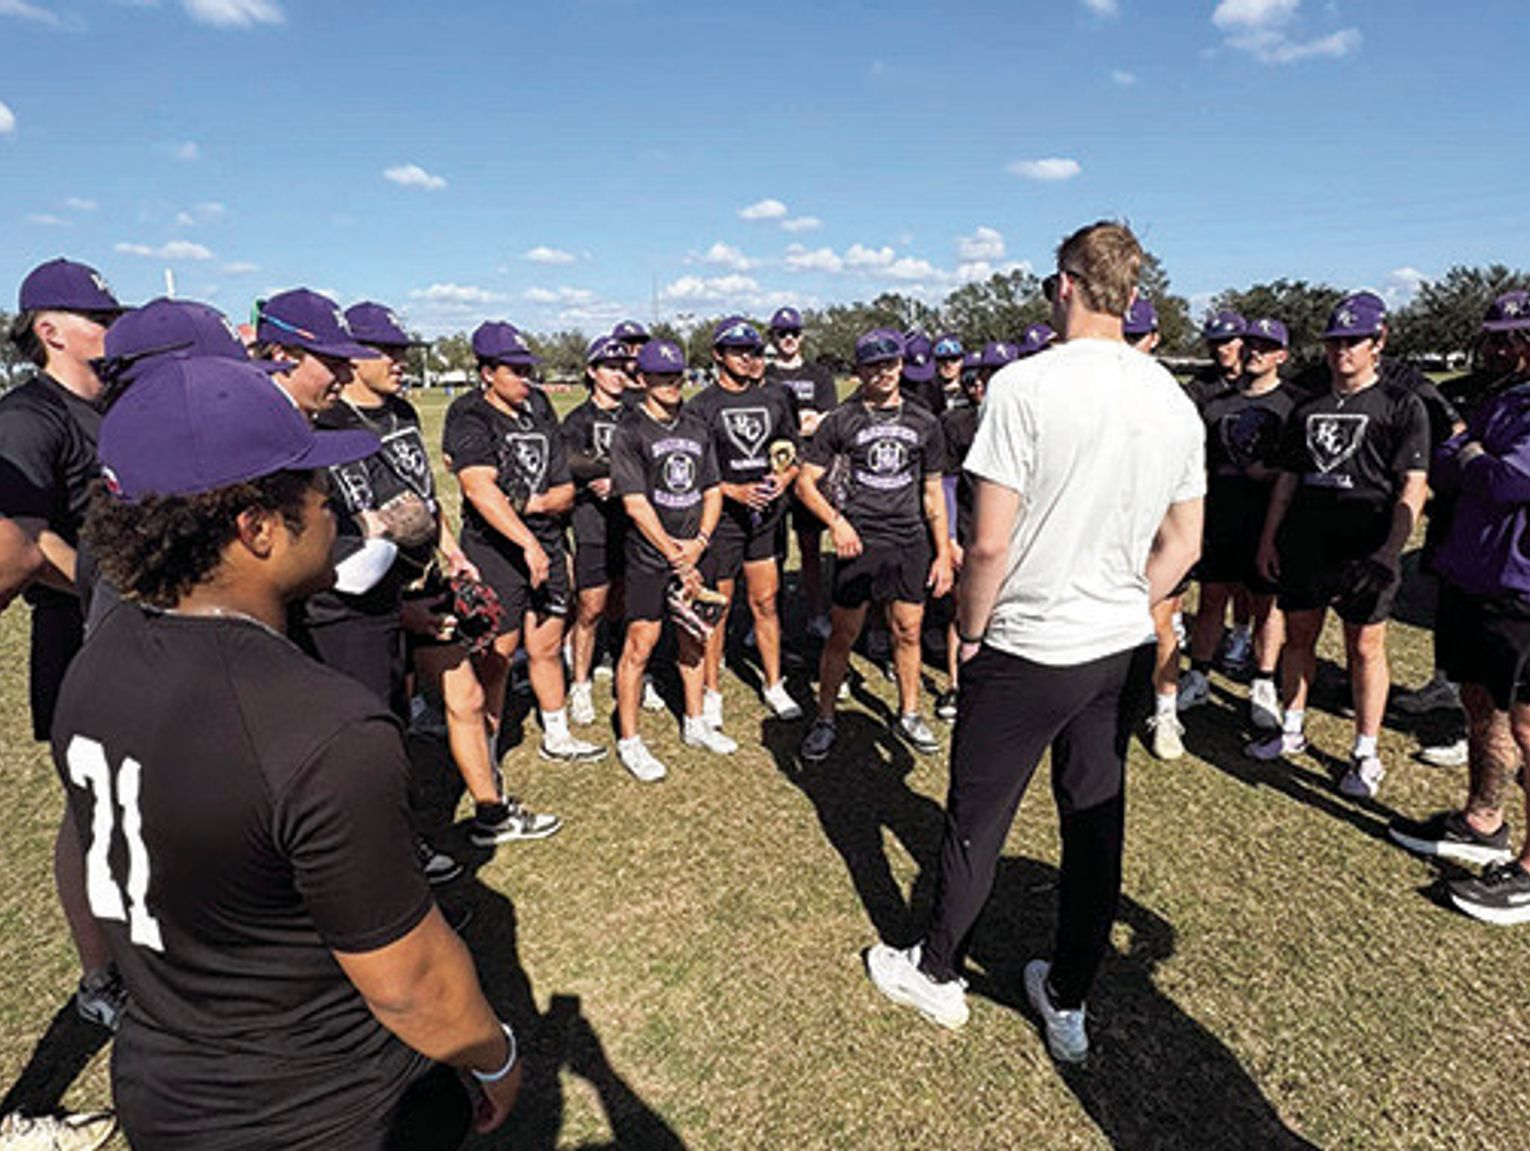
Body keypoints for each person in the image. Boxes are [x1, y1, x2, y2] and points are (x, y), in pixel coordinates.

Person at [55, 356, 521, 1149]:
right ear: (255, 527)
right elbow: (411, 986)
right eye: (312, 488)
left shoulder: (97, 659)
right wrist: (495, 1055)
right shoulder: (320, 724)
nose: (333, 507)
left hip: (163, 1091)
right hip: (327, 1108)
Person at [864, 221, 1204, 1065]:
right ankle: (1068, 993)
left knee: (978, 814)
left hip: (1026, 644)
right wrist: (1128, 597)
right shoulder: (1172, 397)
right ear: (1130, 291)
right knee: (1094, 819)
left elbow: (987, 545)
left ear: (1063, 285)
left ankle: (937, 971)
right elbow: (1186, 543)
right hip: (1118, 644)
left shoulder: (1022, 386)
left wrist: (970, 632)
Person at [0, 258, 129, 1031]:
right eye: (100, 319)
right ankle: (100, 974)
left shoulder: (116, 405)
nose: (112, 332)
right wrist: (105, 583)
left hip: (139, 631)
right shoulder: (26, 417)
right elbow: (21, 535)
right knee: (89, 810)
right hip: (79, 636)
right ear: (50, 330)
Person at [1249, 293, 1430, 798]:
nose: (1342, 351)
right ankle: (1290, 727)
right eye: (1334, 342)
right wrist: (1269, 537)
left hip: (1366, 544)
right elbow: (1287, 479)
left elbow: (1413, 483)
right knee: (1299, 636)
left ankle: (1365, 752)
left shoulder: (1401, 404)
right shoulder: (1307, 407)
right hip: (1307, 541)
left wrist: (1390, 551)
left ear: (1379, 342)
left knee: (1364, 649)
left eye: (1353, 341)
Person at [1388, 290, 1530, 923]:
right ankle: (1482, 819)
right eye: (1495, 336)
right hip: (1471, 580)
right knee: (1480, 706)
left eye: (1517, 336)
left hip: (1523, 590)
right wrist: (1465, 448)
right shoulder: (1500, 399)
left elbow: (1503, 483)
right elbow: (1450, 472)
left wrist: (1463, 443)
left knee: (1527, 726)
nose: (1504, 347)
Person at [443, 322, 606, 810]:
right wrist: (527, 539)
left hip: (550, 544)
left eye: (528, 369)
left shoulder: (538, 407)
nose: (526, 380)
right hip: (496, 553)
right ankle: (486, 752)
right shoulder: (468, 413)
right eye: (516, 371)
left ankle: (556, 731)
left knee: (548, 643)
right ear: (486, 372)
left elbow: (561, 487)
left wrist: (533, 511)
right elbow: (479, 489)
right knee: (496, 656)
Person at [795, 328, 953, 762]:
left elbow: (933, 493)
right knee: (844, 633)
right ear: (859, 369)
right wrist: (837, 522)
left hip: (910, 539)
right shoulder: (842, 421)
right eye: (873, 365)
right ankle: (825, 717)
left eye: (891, 363)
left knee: (908, 630)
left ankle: (909, 712)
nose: (884, 372)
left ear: (901, 364)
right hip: (860, 541)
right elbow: (806, 484)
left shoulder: (924, 420)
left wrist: (941, 552)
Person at [609, 339, 726, 779]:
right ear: (641, 380)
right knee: (640, 644)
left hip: (696, 551)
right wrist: (674, 554)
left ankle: (695, 722)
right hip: (650, 556)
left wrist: (699, 540)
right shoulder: (630, 430)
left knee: (695, 637)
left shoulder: (697, 426)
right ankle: (630, 740)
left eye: (677, 375)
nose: (672, 383)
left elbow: (712, 489)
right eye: (661, 376)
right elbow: (635, 504)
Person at [1176, 318, 1295, 737]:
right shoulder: (1216, 406)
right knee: (1211, 600)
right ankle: (1199, 677)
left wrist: (1271, 476)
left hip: (1269, 523)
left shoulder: (1293, 406)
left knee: (1268, 606)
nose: (1256, 353)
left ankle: (1262, 683)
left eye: (1267, 347)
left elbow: (1297, 470)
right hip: (1220, 518)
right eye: (1252, 345)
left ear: (1282, 355)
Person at [689, 316, 802, 727]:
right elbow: (699, 470)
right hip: (723, 519)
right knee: (717, 607)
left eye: (753, 350)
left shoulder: (776, 396)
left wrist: (782, 479)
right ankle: (712, 689)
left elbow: (793, 450)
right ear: (718, 355)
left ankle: (774, 684)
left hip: (766, 517)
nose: (747, 358)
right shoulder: (701, 405)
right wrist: (735, 492)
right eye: (737, 351)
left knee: (766, 602)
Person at [562, 336, 634, 725]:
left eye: (623, 367)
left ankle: (629, 669)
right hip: (592, 524)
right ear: (591, 372)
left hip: (633, 524)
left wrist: (617, 478)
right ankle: (580, 684)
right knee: (590, 606)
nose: (618, 374)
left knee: (625, 601)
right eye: (609, 367)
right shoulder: (577, 421)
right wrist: (595, 476)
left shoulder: (636, 415)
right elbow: (571, 465)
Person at [763, 306, 840, 638]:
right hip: (774, 472)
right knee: (771, 550)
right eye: (782, 333)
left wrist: (800, 422)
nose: (789, 339)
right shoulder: (764, 374)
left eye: (794, 332)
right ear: (773, 337)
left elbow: (826, 420)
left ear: (802, 336)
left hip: (811, 470)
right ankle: (767, 617)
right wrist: (803, 421)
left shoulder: (819, 374)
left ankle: (817, 613)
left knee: (809, 546)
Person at [934, 360, 988, 721]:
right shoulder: (956, 423)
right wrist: (950, 536)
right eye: (979, 377)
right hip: (969, 531)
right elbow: (948, 483)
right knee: (963, 610)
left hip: (1017, 536)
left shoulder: (1026, 420)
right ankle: (956, 685)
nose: (983, 385)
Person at [932, 334, 965, 406]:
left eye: (954, 359)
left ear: (962, 361)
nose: (948, 365)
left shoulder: (972, 391)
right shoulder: (927, 394)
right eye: (942, 360)